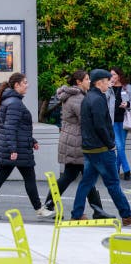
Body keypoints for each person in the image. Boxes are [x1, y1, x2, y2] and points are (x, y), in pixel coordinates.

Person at [0, 72, 55, 219]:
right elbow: (10, 127)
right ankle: (39, 209)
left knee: (1, 177)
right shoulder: (14, 103)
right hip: (16, 149)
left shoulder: (12, 101)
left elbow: (18, 127)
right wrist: (13, 149)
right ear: (16, 85)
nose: (27, 85)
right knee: (28, 178)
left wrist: (31, 141)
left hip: (15, 147)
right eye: (25, 83)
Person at [43, 70, 110, 218]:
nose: (89, 82)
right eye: (86, 79)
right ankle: (49, 205)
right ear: (79, 82)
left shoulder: (78, 96)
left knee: (81, 175)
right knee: (77, 175)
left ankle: (96, 209)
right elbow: (86, 120)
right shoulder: (77, 98)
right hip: (76, 142)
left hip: (74, 141)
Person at [70, 69, 131, 224]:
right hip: (102, 149)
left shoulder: (88, 98)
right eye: (107, 81)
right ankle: (127, 215)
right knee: (113, 183)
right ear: (100, 82)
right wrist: (110, 144)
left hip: (90, 149)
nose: (109, 84)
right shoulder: (98, 99)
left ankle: (77, 213)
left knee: (86, 183)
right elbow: (100, 125)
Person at [109, 68, 130, 180]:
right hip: (112, 121)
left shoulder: (127, 87)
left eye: (114, 74)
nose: (112, 76)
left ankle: (116, 169)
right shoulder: (108, 88)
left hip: (124, 121)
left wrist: (127, 103)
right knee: (119, 145)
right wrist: (108, 87)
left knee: (120, 146)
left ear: (119, 75)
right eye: (110, 75)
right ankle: (127, 170)